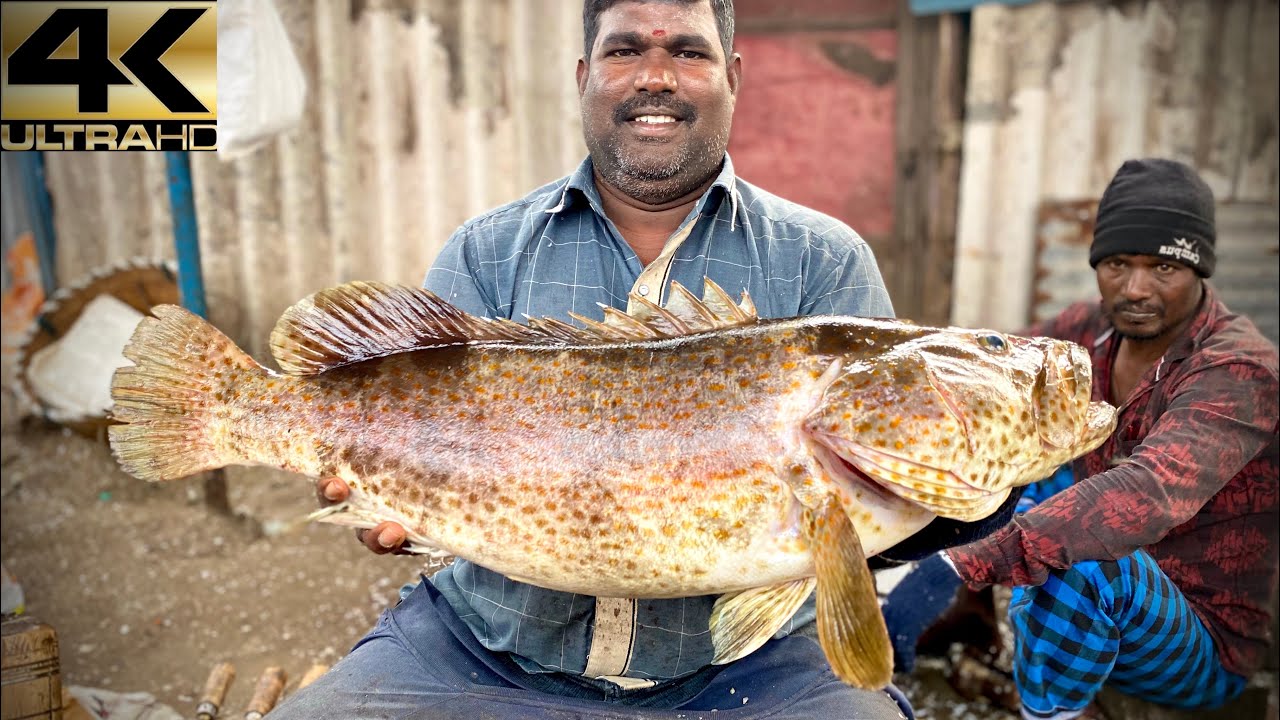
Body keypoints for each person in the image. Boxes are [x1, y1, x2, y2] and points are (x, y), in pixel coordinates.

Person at [270, 1, 1018, 717]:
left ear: (733, 75)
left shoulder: (823, 261)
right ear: (582, 76)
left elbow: (872, 518)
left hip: (750, 670)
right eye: (625, 49)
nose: (655, 75)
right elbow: (407, 433)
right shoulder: (485, 250)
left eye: (687, 52)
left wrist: (971, 485)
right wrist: (385, 501)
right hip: (482, 645)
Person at [881, 158, 1280, 720]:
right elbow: (986, 383)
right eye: (1118, 264)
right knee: (1020, 458)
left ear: (1199, 270)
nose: (1136, 289)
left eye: (1163, 268)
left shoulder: (1239, 369)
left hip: (1201, 641)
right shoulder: (1086, 334)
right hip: (1096, 601)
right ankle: (972, 618)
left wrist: (954, 566)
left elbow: (1147, 492)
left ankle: (1050, 713)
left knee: (1085, 552)